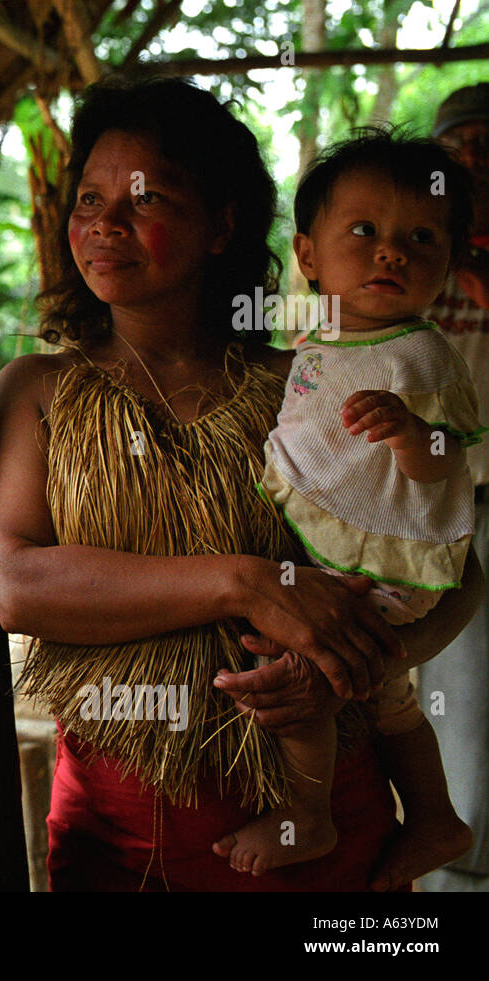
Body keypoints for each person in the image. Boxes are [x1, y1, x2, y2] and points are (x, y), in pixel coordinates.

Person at [0, 75, 482, 891]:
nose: (106, 223)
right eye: (89, 199)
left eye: (146, 199)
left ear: (222, 225)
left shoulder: (312, 390)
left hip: (321, 821)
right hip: (122, 825)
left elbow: (454, 563)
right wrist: (245, 584)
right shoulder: (39, 389)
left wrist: (351, 663)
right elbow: (17, 584)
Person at [213, 130, 477, 884]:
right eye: (364, 232)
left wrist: (410, 436)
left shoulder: (420, 355)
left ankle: (309, 812)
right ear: (307, 254)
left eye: (420, 238)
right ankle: (433, 816)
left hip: (388, 555)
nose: (390, 252)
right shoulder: (319, 341)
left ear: (450, 267)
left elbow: (446, 463)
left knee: (306, 677)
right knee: (390, 695)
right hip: (340, 550)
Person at [422, 82, 489, 892]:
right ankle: (457, 878)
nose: (474, 157)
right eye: (461, 146)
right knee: (460, 701)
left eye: (487, 145)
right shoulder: (416, 254)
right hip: (449, 506)